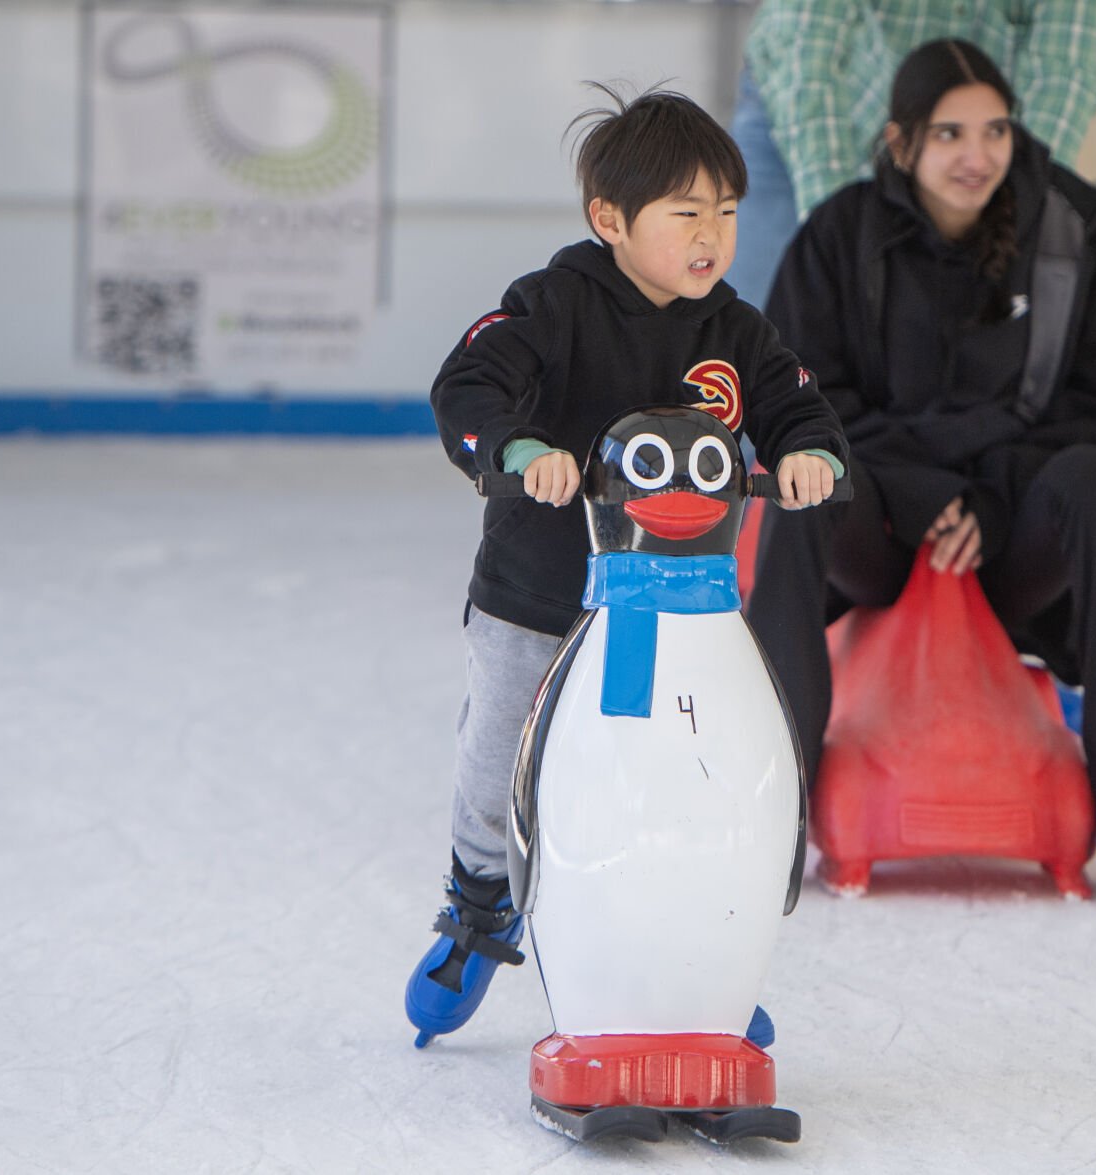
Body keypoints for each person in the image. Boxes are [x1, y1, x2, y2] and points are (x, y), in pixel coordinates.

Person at [405, 86, 850, 1048]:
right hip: (540, 598)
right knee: (499, 763)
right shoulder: (553, 304)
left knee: (681, 778)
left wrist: (810, 452)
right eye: (686, 212)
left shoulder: (734, 328)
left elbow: (795, 406)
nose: (712, 235)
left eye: (727, 212)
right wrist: (521, 454)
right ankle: (481, 901)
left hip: (675, 613)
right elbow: (470, 383)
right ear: (610, 219)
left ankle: (692, 965)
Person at [744, 39, 1096, 894]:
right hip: (879, 533)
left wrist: (986, 497)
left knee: (1092, 480)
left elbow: (1092, 409)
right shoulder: (840, 235)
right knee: (802, 484)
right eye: (948, 134)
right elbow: (801, 399)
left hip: (1005, 537)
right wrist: (926, 494)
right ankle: (775, 778)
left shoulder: (1068, 239)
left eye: (994, 131)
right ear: (900, 143)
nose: (975, 156)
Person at [727, 0, 1096, 311]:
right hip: (815, 115)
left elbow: (1063, 73)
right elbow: (807, 57)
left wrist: (1018, 213)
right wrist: (841, 232)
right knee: (755, 326)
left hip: (973, 145)